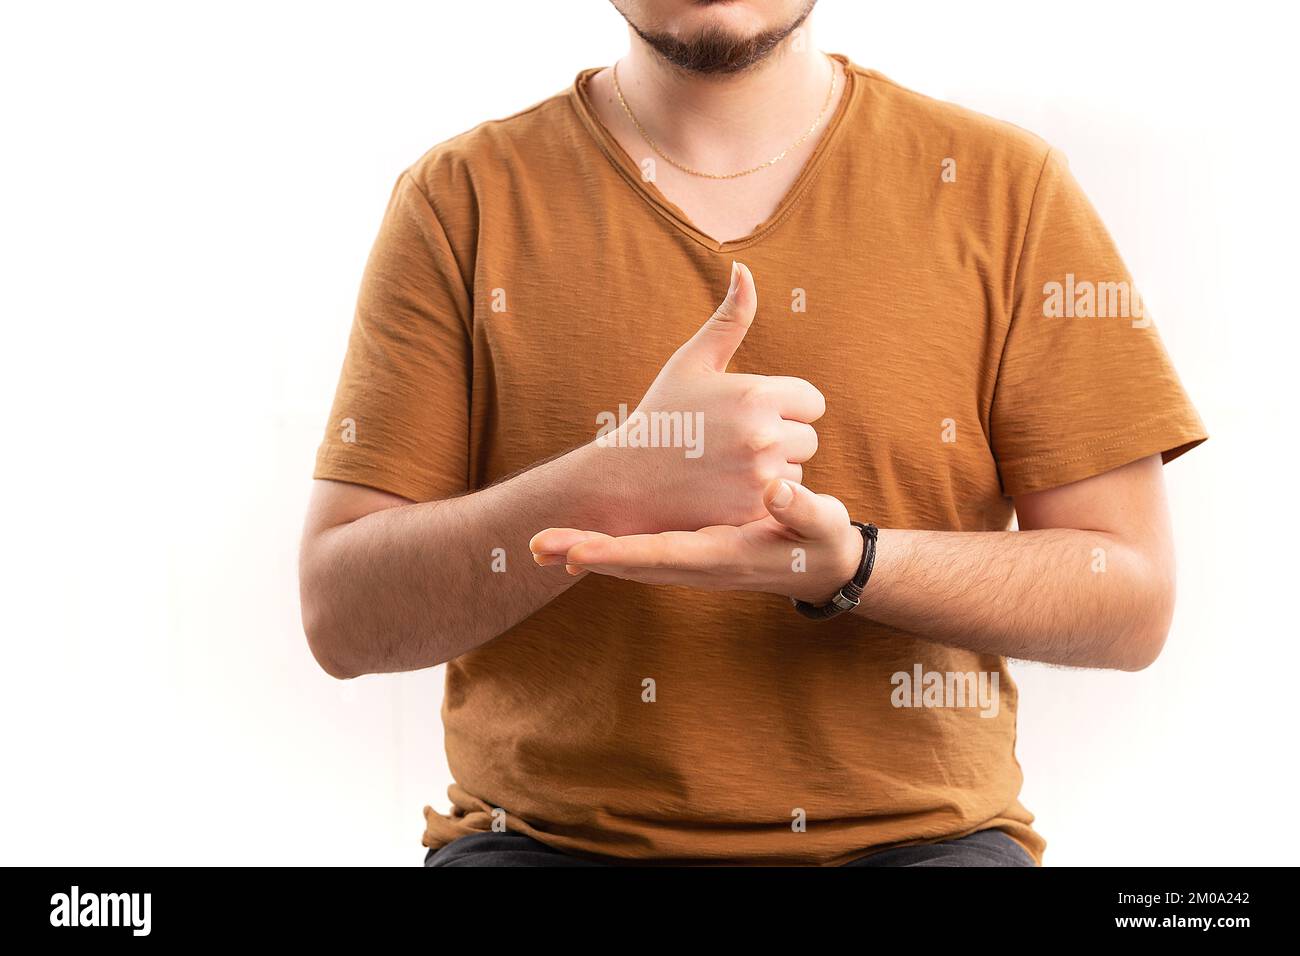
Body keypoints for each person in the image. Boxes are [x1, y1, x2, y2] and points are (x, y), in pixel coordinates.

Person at [299, 0, 1206, 867]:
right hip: (543, 847)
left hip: (925, 848)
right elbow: (343, 614)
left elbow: (1129, 597)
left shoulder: (1011, 189)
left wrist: (854, 566)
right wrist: (616, 481)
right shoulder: (456, 200)